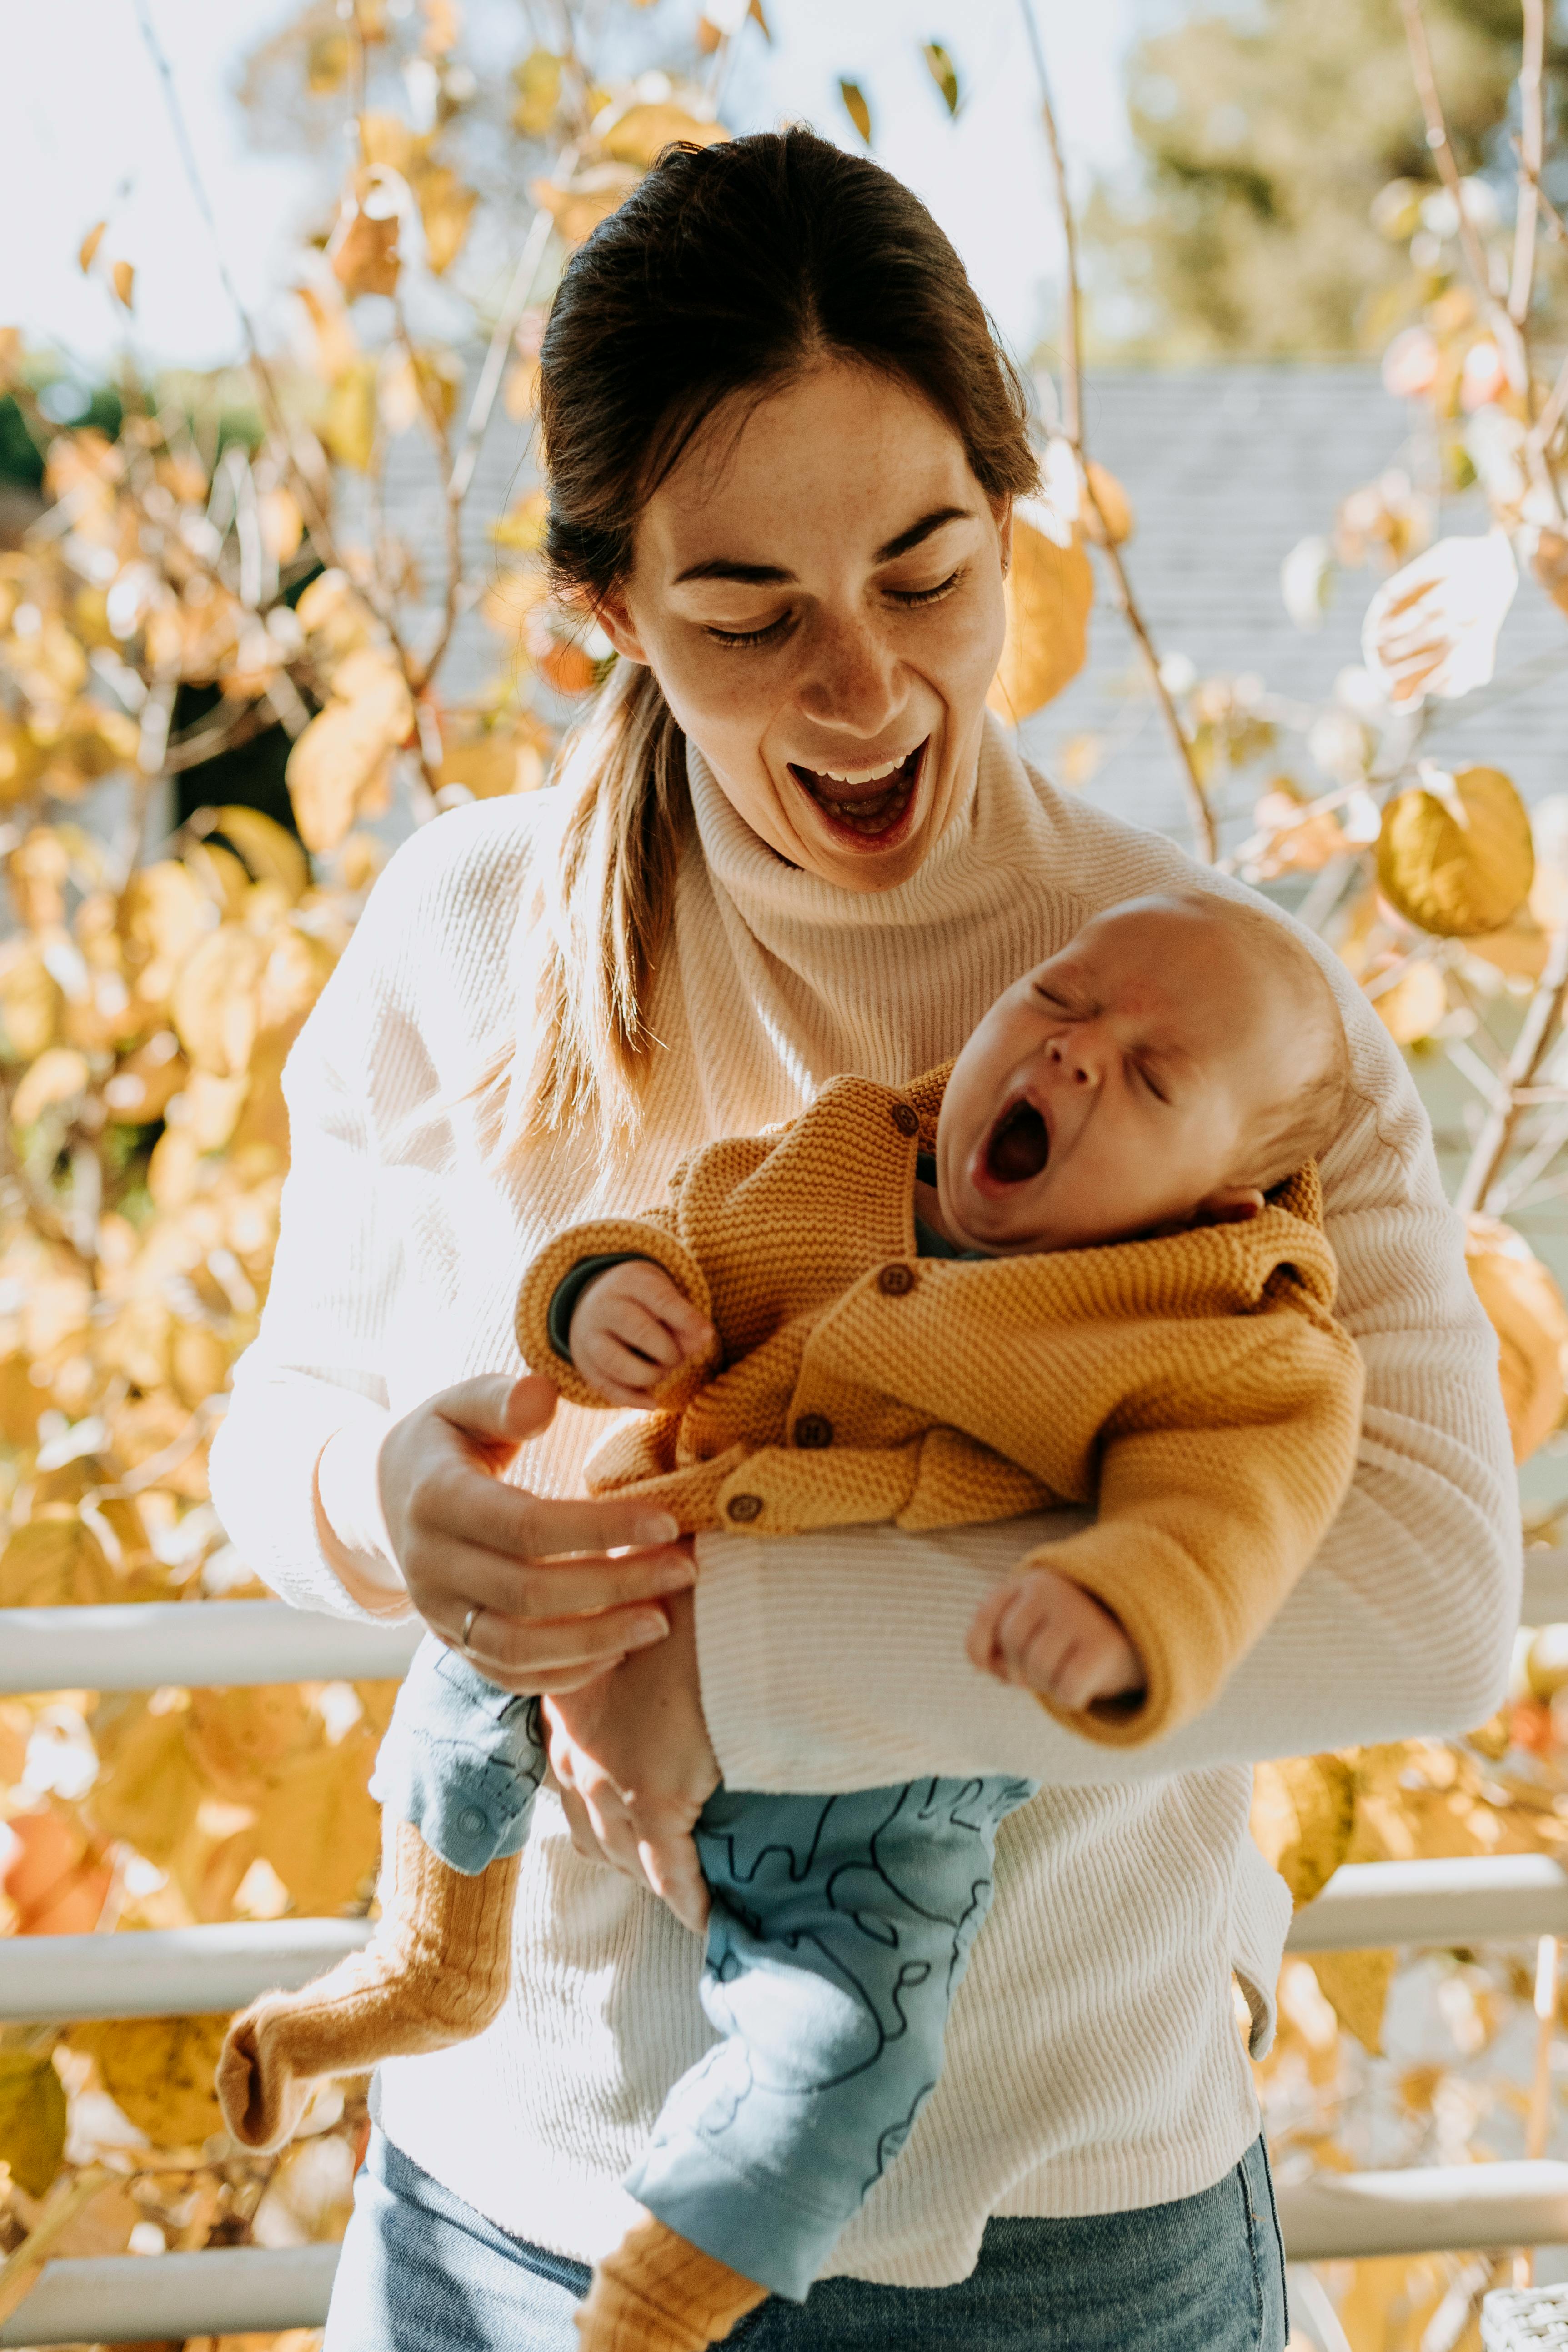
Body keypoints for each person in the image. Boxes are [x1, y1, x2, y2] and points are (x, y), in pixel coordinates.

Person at [209, 126, 1519, 2352]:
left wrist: (706, 1657)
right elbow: (287, 1417)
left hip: (1071, 2240)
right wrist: (391, 1510)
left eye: (928, 575)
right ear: (606, 610)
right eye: (747, 619)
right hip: (515, 2219)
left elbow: (1422, 1599)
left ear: (1013, 515)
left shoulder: (1201, 1003)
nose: (863, 689)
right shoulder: (464, 922)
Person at [218, 886, 1366, 2352]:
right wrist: (604, 1297)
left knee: (852, 2046)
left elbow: (1233, 1507)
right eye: (1061, 1004)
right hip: (617, 1599)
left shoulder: (1210, 1321)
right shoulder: (847, 1155)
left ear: (1226, 1196)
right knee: (465, 1678)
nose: (1076, 1057)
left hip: (892, 1800)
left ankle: (663, 2293)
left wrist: (1121, 1608)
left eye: (1149, 1078)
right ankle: (431, 1959)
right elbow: (678, 1231)